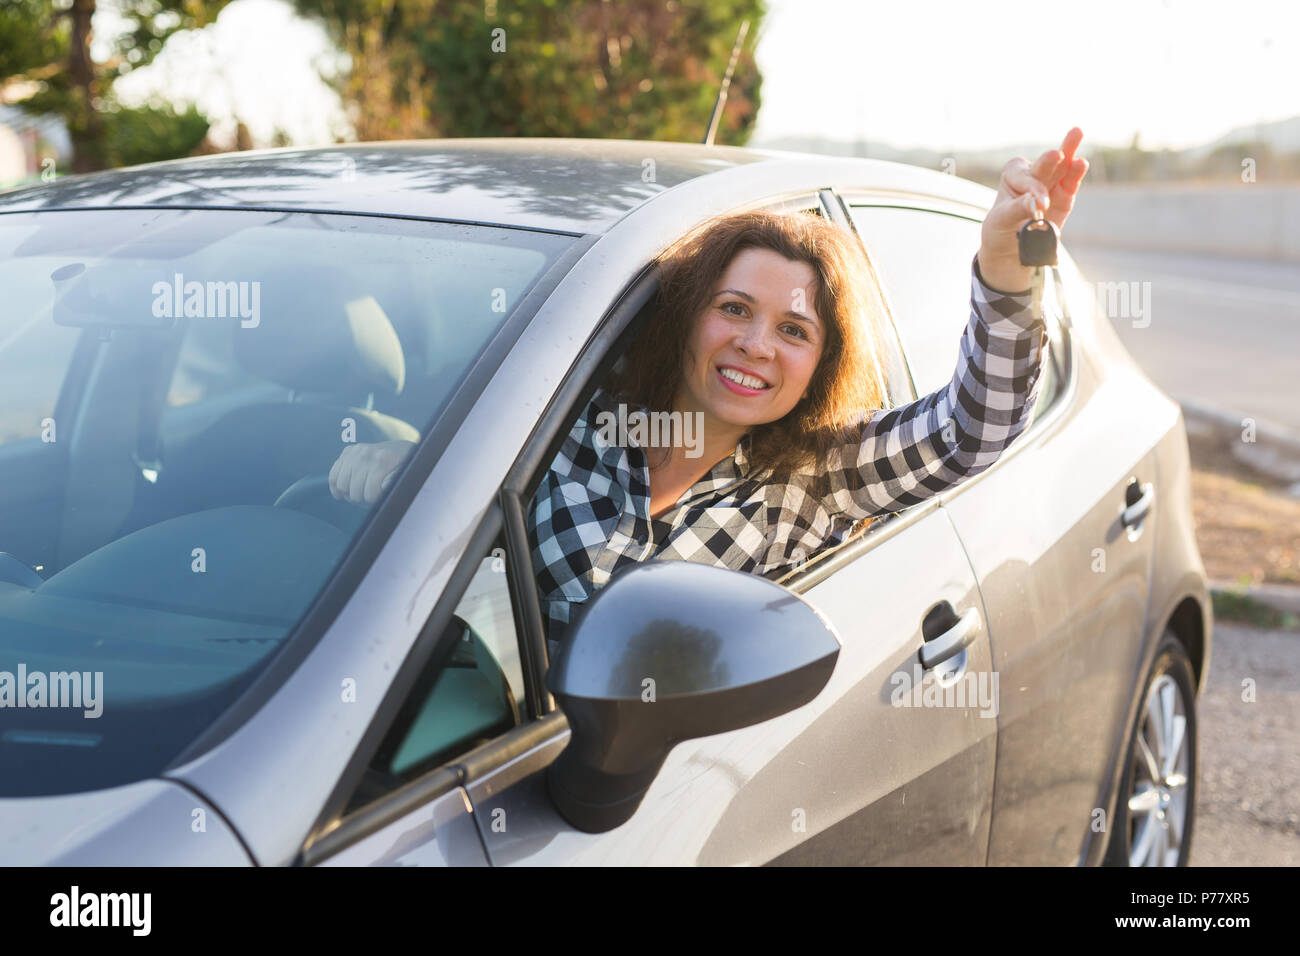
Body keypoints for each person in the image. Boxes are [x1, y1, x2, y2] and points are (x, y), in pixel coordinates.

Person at [330, 128, 1089, 647]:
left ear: (821, 364)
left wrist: (1006, 268)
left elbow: (973, 430)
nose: (756, 345)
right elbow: (474, 477)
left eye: (794, 331)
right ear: (688, 318)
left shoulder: (818, 481)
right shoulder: (570, 414)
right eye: (733, 309)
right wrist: (409, 470)